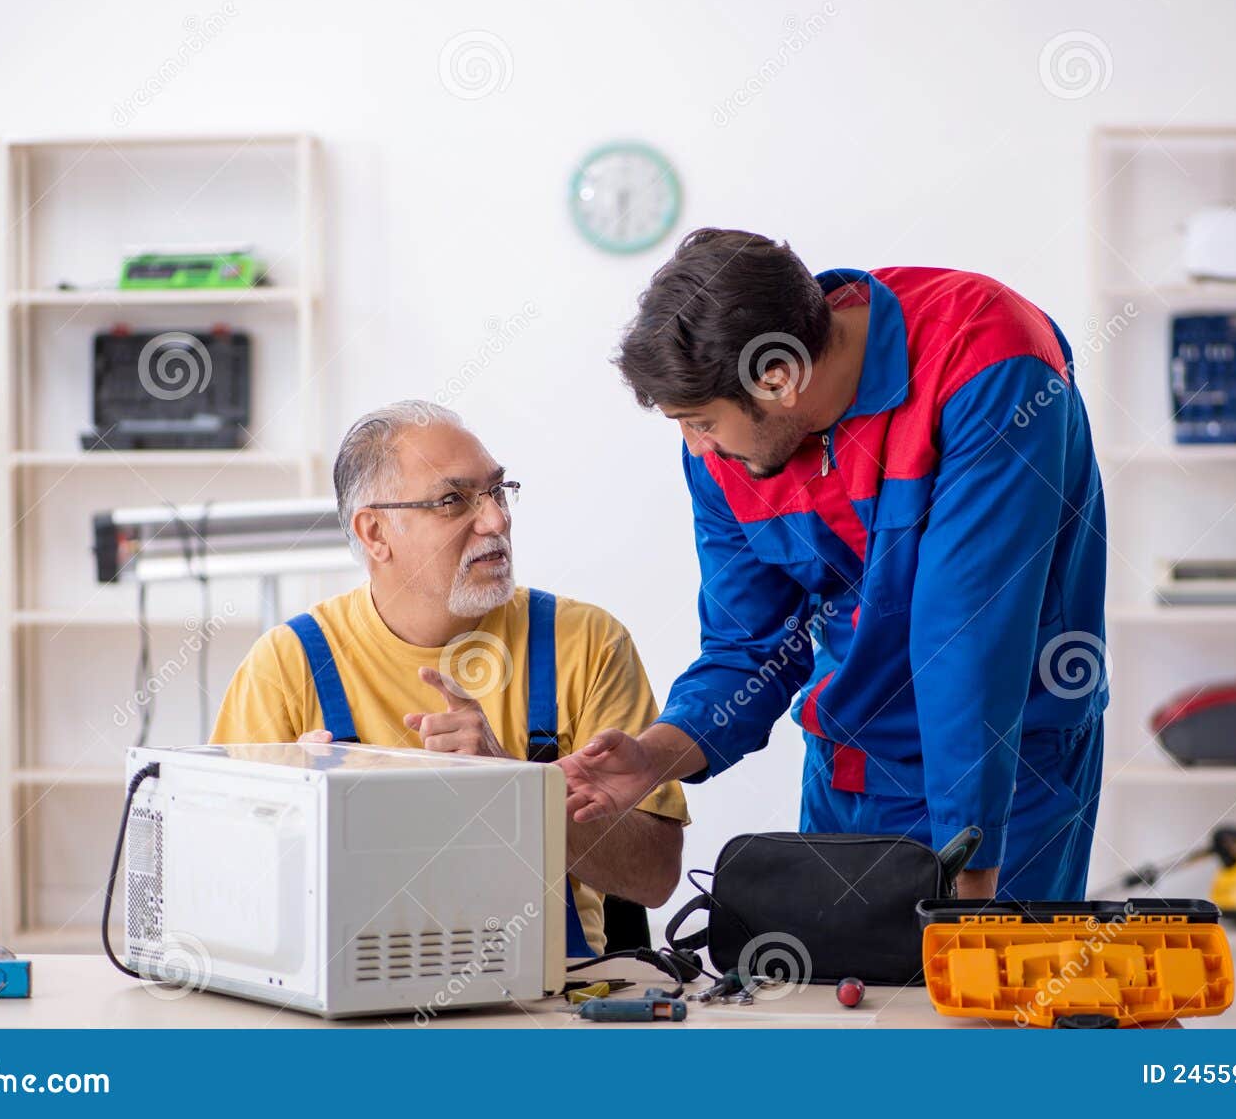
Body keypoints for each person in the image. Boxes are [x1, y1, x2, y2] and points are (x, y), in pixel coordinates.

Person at [560, 229, 1107, 901]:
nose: (696, 449)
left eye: (700, 422)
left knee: (991, 998)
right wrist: (652, 759)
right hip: (850, 774)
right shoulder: (728, 448)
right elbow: (748, 649)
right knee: (844, 998)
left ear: (780, 378)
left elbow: (967, 637)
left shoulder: (985, 356)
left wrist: (971, 874)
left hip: (1010, 775)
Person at [212, 400, 687, 954]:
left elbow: (655, 877)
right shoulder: (289, 664)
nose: (496, 519)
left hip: (547, 1001)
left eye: (498, 490)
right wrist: (295, 818)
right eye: (454, 500)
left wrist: (514, 787)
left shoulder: (585, 643)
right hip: (348, 1001)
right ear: (375, 532)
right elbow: (224, 889)